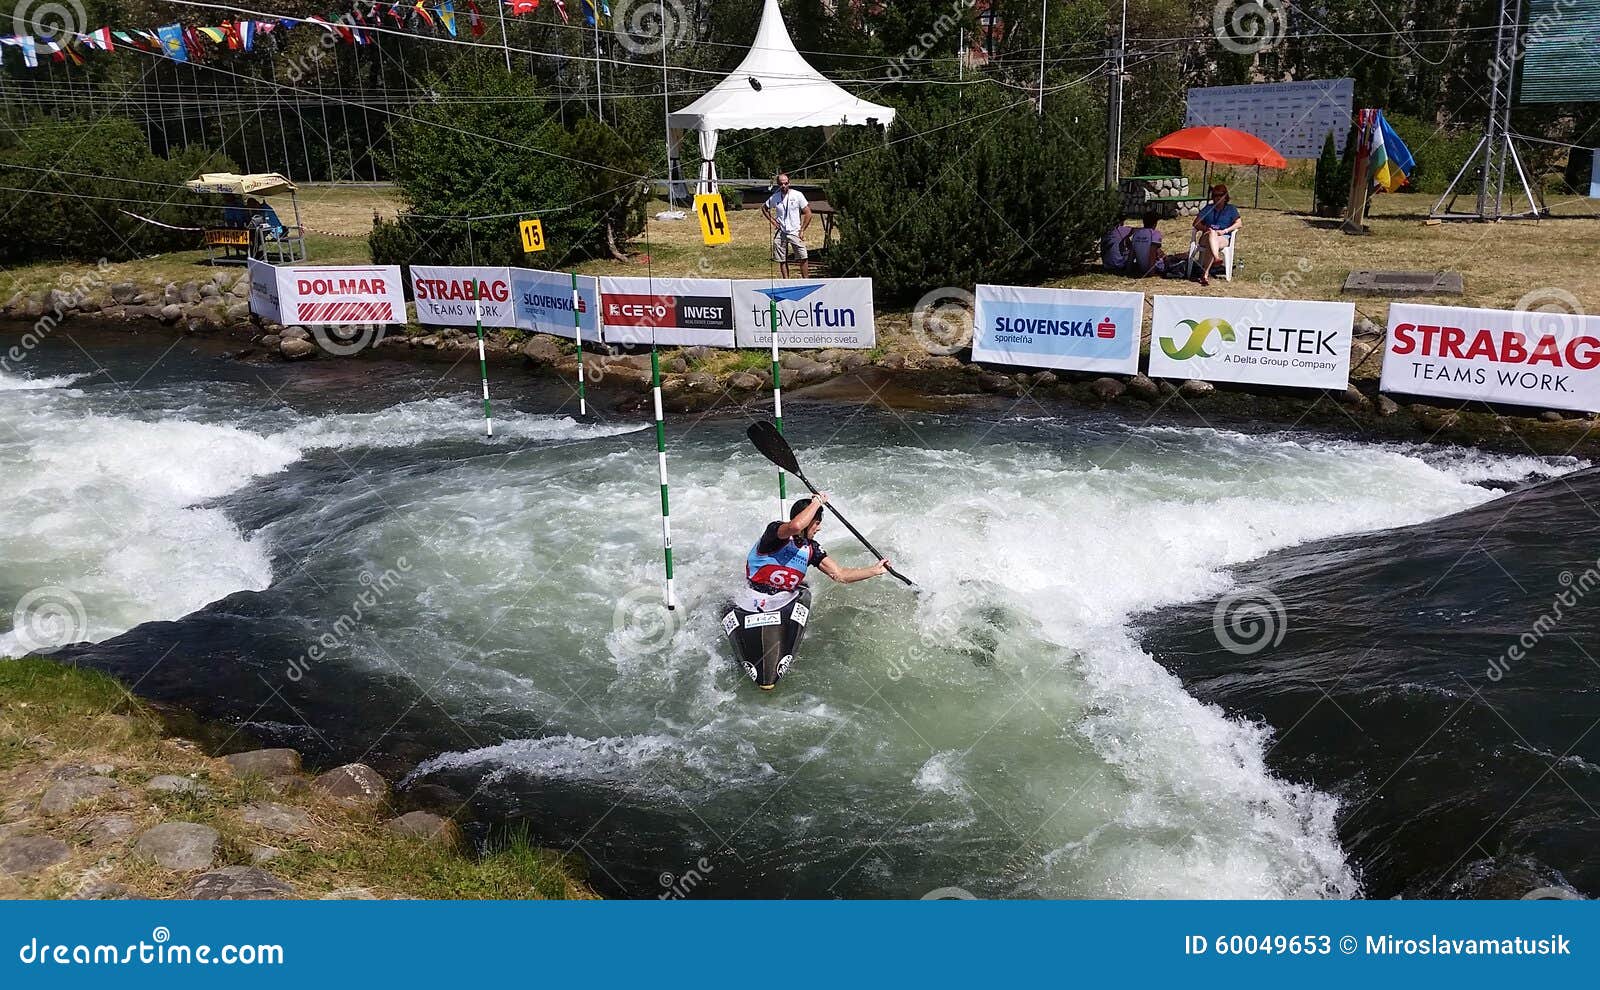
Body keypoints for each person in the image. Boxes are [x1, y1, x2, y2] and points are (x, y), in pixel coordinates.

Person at [738, 495, 890, 614]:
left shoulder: (812, 549)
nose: (819, 528)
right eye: (817, 523)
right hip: (752, 596)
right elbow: (796, 526)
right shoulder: (775, 533)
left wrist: (874, 570)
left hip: (783, 601)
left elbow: (840, 575)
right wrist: (817, 501)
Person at [762, 172, 811, 278]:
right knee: (782, 259)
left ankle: (806, 280)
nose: (783, 186)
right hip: (781, 232)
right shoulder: (775, 197)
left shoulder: (797, 195)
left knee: (803, 256)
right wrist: (773, 221)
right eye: (781, 184)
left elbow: (808, 213)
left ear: (789, 183)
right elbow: (764, 208)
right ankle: (786, 281)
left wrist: (802, 229)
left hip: (795, 231)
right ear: (778, 184)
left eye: (785, 183)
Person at [1192, 183, 1241, 286]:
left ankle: (1205, 274)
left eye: (1220, 195)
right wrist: (1206, 228)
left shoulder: (1231, 209)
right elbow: (1196, 223)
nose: (1217, 198)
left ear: (1225, 196)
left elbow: (1239, 223)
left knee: (1213, 243)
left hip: (1223, 237)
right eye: (1214, 195)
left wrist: (1225, 231)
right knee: (1212, 234)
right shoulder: (1208, 208)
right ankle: (1217, 258)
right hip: (1206, 236)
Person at [1129, 211, 1165, 277]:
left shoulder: (1136, 234)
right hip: (1153, 268)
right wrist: (1151, 272)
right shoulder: (1155, 234)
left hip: (1141, 267)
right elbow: (1152, 253)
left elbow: (1132, 254)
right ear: (1155, 224)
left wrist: (1128, 269)